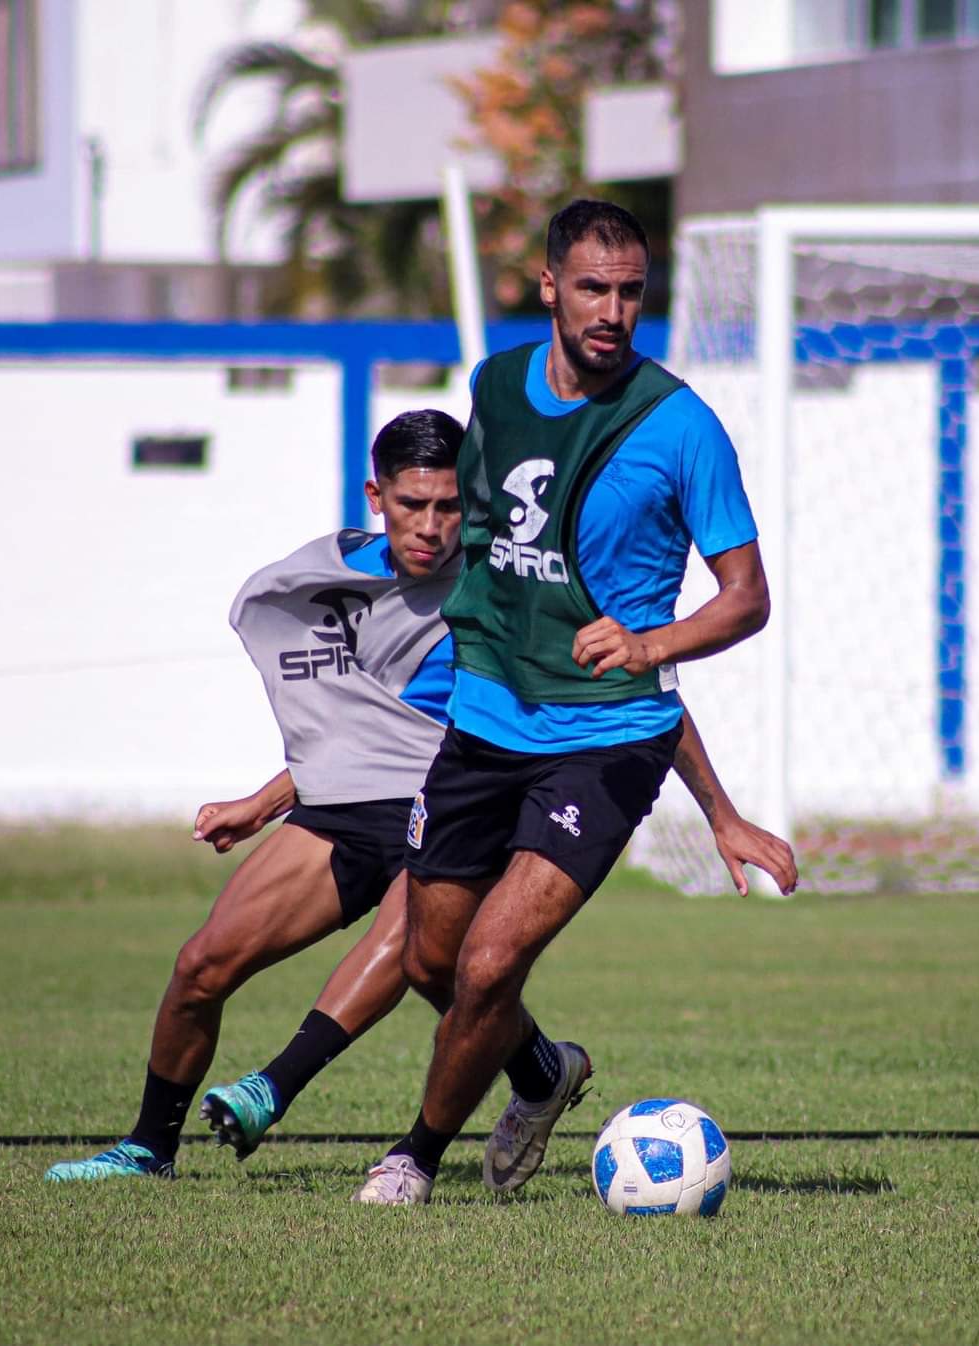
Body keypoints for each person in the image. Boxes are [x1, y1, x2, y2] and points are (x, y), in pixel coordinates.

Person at [44, 405, 793, 1183]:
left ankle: (276, 1084)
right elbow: (354, 728)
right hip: (342, 807)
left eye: (449, 507)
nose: (432, 526)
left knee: (417, 951)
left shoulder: (511, 585)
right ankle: (147, 1149)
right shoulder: (337, 578)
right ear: (377, 496)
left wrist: (721, 814)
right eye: (413, 505)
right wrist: (262, 803)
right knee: (202, 964)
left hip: (460, 800)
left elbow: (635, 697)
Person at [356, 199, 785, 1207]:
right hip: (487, 719)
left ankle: (413, 1155)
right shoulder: (495, 387)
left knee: (493, 960)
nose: (614, 310)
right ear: (548, 284)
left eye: (632, 291)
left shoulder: (681, 426)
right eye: (594, 287)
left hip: (606, 739)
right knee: (434, 959)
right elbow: (482, 545)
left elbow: (747, 598)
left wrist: (652, 643)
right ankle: (543, 1074)